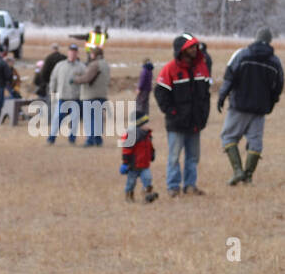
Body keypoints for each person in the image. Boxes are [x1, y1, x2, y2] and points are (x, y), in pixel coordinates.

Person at [218, 27, 283, 186]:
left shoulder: (242, 55)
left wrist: (222, 96)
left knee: (228, 137)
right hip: (260, 109)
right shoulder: (274, 61)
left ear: (255, 38)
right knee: (255, 142)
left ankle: (238, 171)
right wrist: (271, 103)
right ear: (269, 41)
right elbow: (278, 85)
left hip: (239, 105)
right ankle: (248, 176)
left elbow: (229, 77)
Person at [155, 33, 213, 197]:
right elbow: (160, 93)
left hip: (195, 122)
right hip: (177, 123)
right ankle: (173, 187)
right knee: (174, 157)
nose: (195, 49)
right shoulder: (170, 68)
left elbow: (206, 94)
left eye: (195, 46)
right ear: (182, 50)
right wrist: (172, 112)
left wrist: (204, 114)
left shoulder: (202, 67)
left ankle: (190, 185)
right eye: (191, 47)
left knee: (193, 157)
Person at [75, 44, 111, 146]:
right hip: (102, 95)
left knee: (89, 119)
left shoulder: (94, 65)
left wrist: (75, 79)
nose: (90, 55)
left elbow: (87, 78)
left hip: (90, 95)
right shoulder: (105, 64)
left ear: (94, 54)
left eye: (91, 53)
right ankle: (98, 140)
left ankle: (90, 140)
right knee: (98, 119)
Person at [119, 113, 160, 203]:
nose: (148, 125)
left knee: (148, 179)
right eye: (146, 123)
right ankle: (129, 195)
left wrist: (152, 155)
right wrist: (125, 163)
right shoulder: (132, 135)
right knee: (131, 182)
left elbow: (150, 147)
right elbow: (126, 150)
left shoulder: (148, 135)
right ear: (139, 124)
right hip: (133, 165)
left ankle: (147, 195)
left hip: (145, 165)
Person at [47, 43, 82, 144]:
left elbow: (85, 81)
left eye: (75, 52)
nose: (72, 54)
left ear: (77, 53)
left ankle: (72, 139)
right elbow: (53, 78)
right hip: (62, 97)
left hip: (75, 98)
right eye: (71, 51)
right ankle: (51, 138)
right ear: (68, 52)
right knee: (57, 118)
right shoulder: (60, 65)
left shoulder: (81, 67)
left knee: (74, 120)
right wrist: (52, 91)